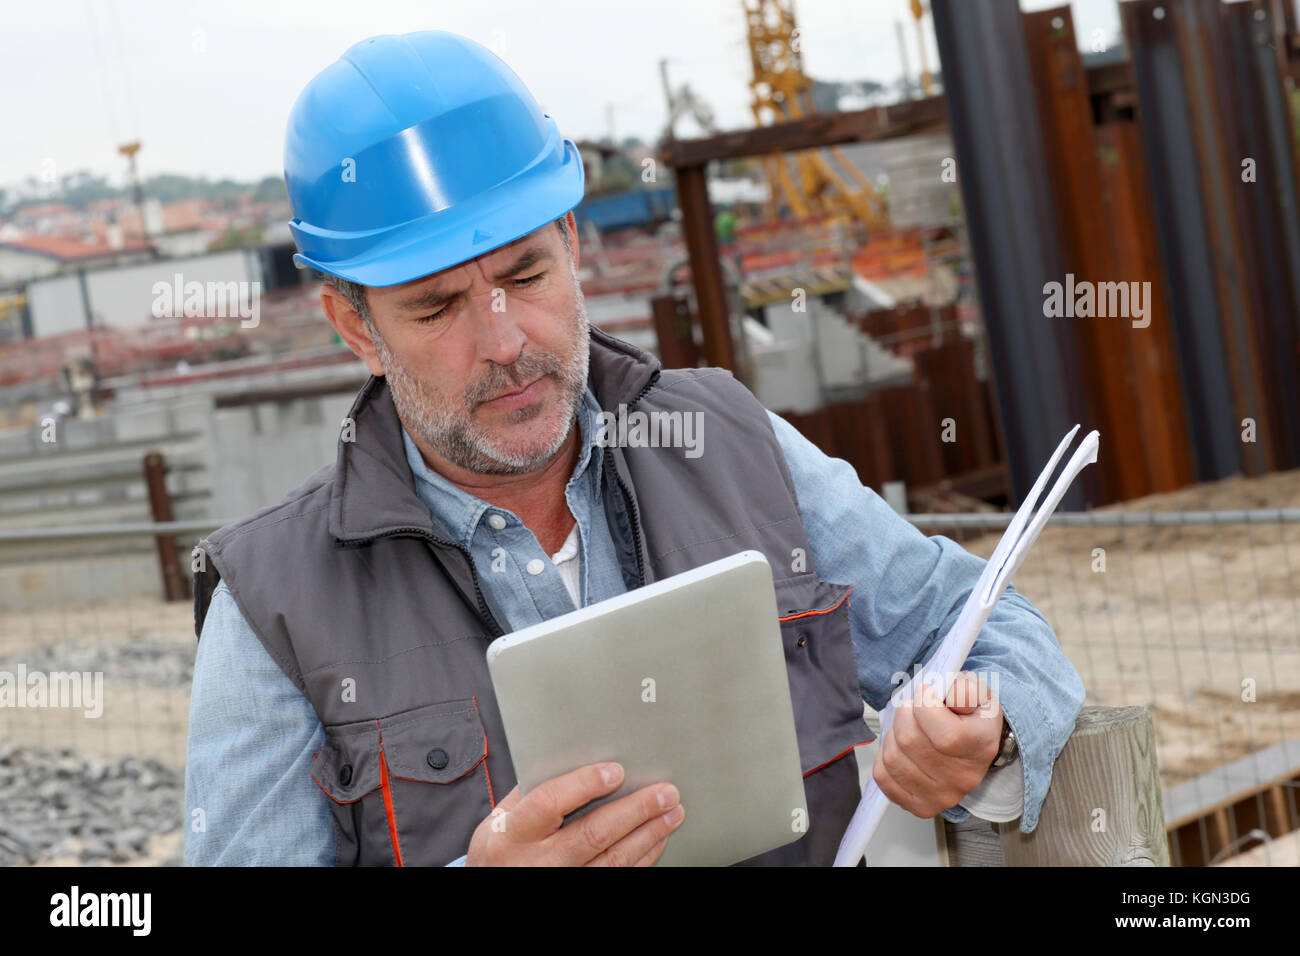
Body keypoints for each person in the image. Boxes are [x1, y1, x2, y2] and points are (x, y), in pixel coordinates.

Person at [184, 30, 1085, 867]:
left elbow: (985, 622)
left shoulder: (730, 444)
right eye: (436, 307)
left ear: (572, 243)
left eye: (523, 274)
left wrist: (988, 727)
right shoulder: (274, 608)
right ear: (355, 327)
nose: (504, 342)